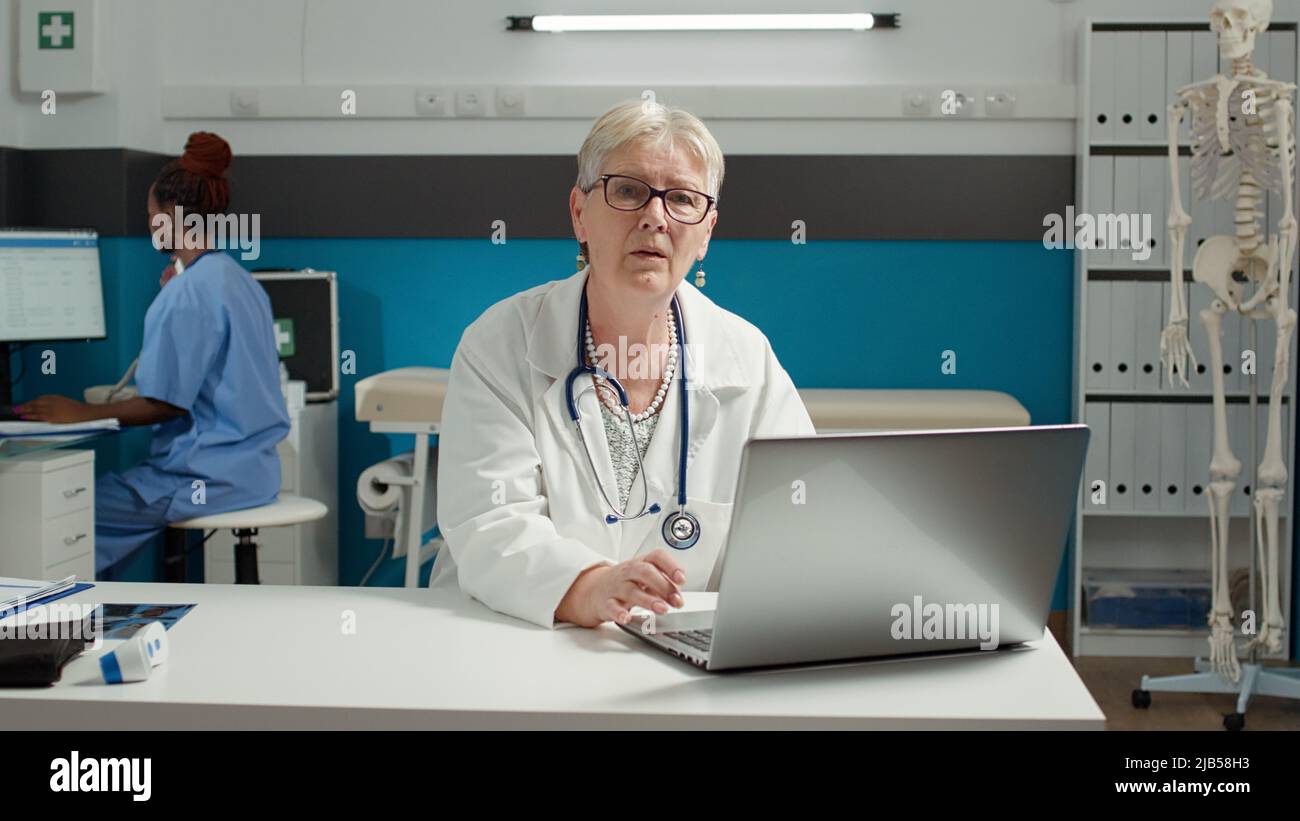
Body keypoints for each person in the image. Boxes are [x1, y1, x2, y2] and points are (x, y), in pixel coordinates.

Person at [431, 100, 815, 629]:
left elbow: (802, 516)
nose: (655, 217)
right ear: (579, 213)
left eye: (682, 199)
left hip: (680, 657)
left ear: (705, 233)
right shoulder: (500, 344)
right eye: (629, 190)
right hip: (515, 642)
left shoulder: (746, 359)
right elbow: (489, 524)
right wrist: (589, 587)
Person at [18, 132, 290, 576]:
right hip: (254, 474)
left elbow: (165, 403)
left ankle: (55, 632)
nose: (149, 227)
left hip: (205, 479)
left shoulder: (187, 294)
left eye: (151, 217)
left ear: (171, 217)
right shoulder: (237, 279)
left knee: (61, 522)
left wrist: (79, 412)